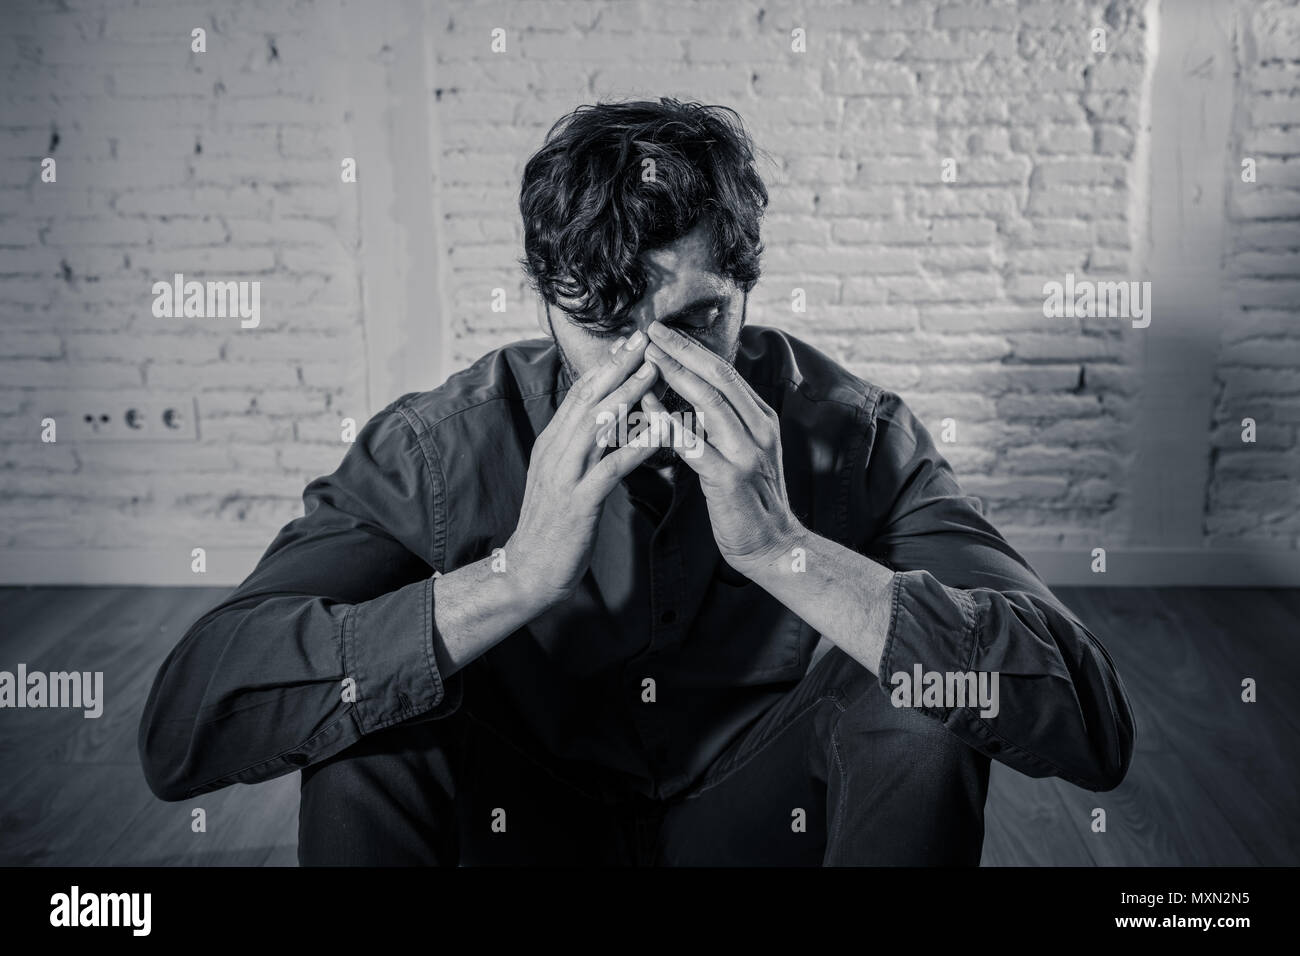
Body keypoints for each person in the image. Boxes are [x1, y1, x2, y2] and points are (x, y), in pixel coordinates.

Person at [139, 98, 1134, 866]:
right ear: (543, 302)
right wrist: (515, 577)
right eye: (604, 324)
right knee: (367, 715)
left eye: (696, 321)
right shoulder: (436, 448)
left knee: (923, 682)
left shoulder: (857, 435)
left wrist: (785, 551)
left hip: (765, 824)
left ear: (746, 289)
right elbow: (185, 726)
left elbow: (1090, 724)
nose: (650, 366)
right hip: (524, 827)